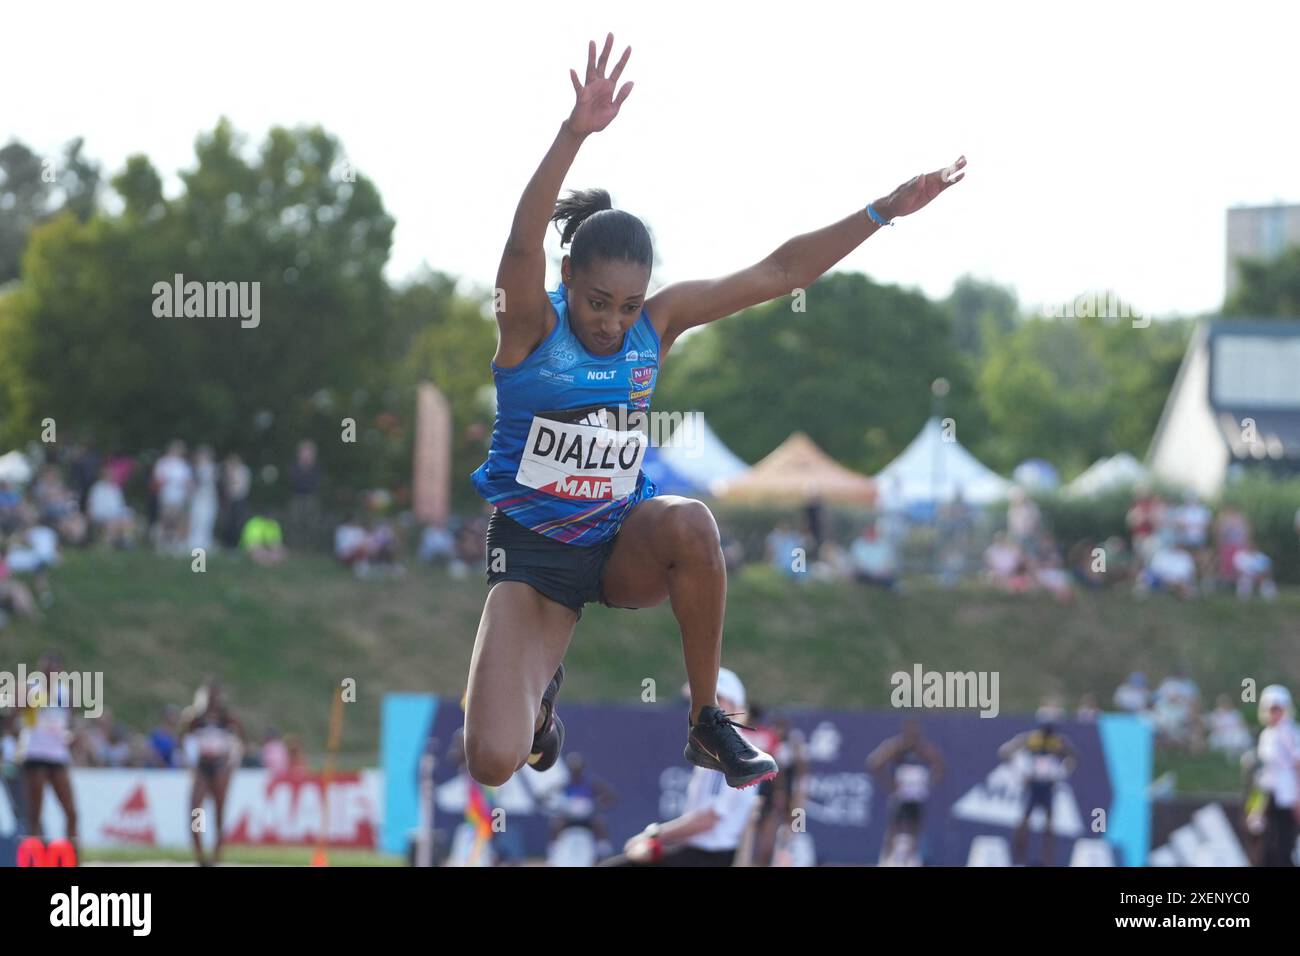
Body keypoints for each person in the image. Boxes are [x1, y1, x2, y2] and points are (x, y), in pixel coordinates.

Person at [460, 33, 966, 792]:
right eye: (598, 303)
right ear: (570, 279)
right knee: (493, 761)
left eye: (628, 306)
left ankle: (706, 722)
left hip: (616, 540)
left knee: (693, 522)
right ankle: (537, 717)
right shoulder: (530, 325)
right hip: (534, 555)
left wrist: (881, 211)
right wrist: (573, 133)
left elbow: (780, 270)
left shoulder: (654, 327)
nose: (611, 322)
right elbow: (520, 238)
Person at [600, 669, 762, 866]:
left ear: (731, 703)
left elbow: (708, 819)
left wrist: (654, 834)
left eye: (714, 698)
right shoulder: (726, 746)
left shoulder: (728, 749)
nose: (701, 706)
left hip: (709, 857)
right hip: (702, 854)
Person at [16, 651, 78, 858]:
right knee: (35, 813)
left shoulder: (65, 692)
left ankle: (72, 857)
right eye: (47, 669)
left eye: (54, 669)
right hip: (35, 753)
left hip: (58, 755)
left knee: (71, 811)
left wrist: (71, 736)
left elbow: (69, 720)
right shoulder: (31, 688)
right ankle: (33, 858)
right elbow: (16, 711)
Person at [1000, 708, 1077, 866]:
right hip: (1033, 784)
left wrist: (1060, 774)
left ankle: (1048, 861)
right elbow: (1005, 751)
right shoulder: (1030, 738)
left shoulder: (1058, 741)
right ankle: (1019, 860)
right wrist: (1020, 771)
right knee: (1024, 823)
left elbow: (1073, 757)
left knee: (1048, 826)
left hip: (1047, 785)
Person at [180, 681, 243, 866]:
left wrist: (232, 763)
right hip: (202, 765)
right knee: (196, 809)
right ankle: (200, 855)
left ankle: (216, 855)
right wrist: (188, 760)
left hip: (220, 765)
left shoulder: (227, 718)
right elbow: (182, 738)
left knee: (219, 810)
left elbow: (240, 741)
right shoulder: (195, 718)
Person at [868, 720, 944, 866]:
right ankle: (887, 858)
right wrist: (890, 784)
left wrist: (929, 782)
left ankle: (912, 858)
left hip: (916, 796)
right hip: (900, 795)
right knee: (894, 828)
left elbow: (939, 765)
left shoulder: (923, 748)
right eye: (910, 735)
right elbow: (874, 762)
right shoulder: (896, 747)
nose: (912, 739)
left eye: (915, 735)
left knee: (915, 828)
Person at [1254, 685, 1300, 866]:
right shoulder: (1266, 735)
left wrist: (1298, 799)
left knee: (1284, 846)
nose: (1275, 713)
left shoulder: (1291, 733)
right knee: (1266, 847)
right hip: (1268, 796)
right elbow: (1264, 773)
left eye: (1278, 708)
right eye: (1271, 709)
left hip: (1287, 797)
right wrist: (1256, 805)